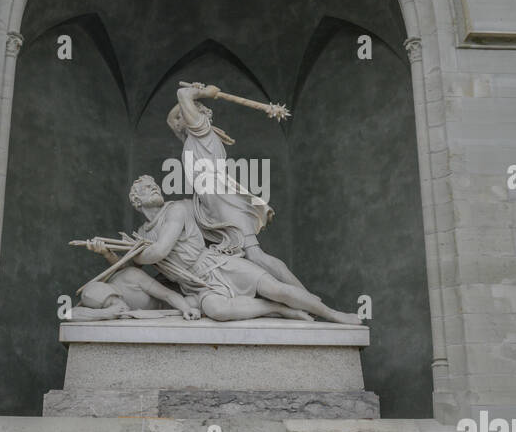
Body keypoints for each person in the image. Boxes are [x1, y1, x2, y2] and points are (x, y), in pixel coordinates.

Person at [128, 175, 357, 324]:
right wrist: (109, 254)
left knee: (278, 289)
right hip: (196, 285)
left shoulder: (175, 210)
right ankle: (276, 310)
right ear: (137, 201)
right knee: (217, 311)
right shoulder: (141, 234)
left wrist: (136, 253)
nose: (155, 188)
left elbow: (159, 252)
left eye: (155, 185)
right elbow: (133, 266)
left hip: (217, 264)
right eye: (148, 189)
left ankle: (332, 314)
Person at [167, 80, 304, 288]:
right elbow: (171, 119)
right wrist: (197, 93)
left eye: (183, 114)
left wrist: (202, 93)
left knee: (256, 255)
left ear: (198, 115)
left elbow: (182, 94)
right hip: (208, 206)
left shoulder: (201, 130)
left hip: (225, 202)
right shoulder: (191, 137)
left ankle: (302, 296)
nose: (179, 118)